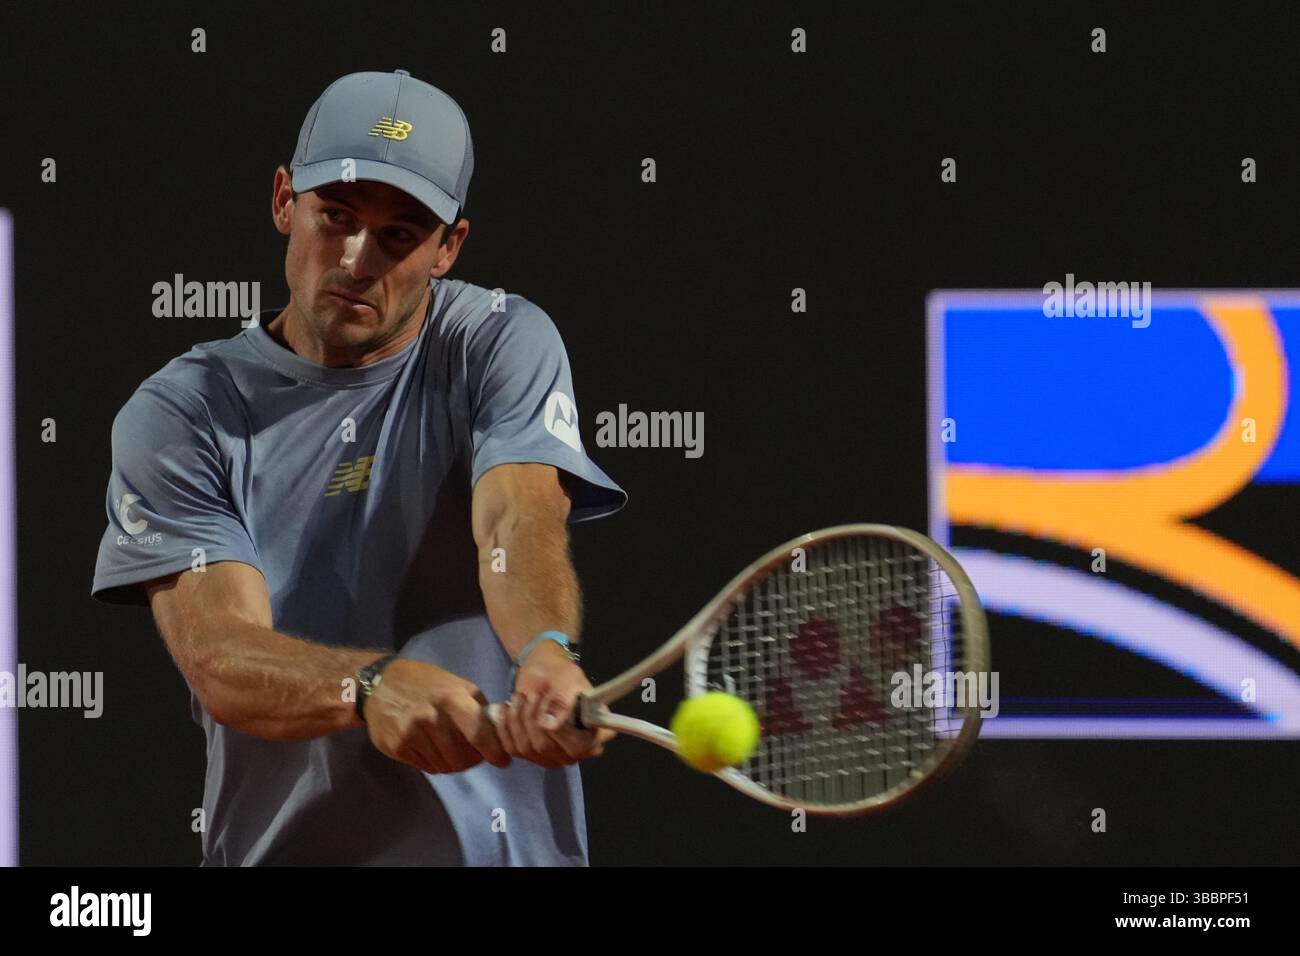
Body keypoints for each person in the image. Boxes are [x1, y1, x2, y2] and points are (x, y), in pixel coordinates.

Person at [90, 69, 626, 865]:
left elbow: (518, 517)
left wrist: (545, 648)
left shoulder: (499, 342)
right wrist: (368, 687)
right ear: (283, 201)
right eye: (334, 216)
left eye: (400, 235)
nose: (354, 258)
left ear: (450, 247)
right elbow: (218, 651)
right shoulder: (182, 412)